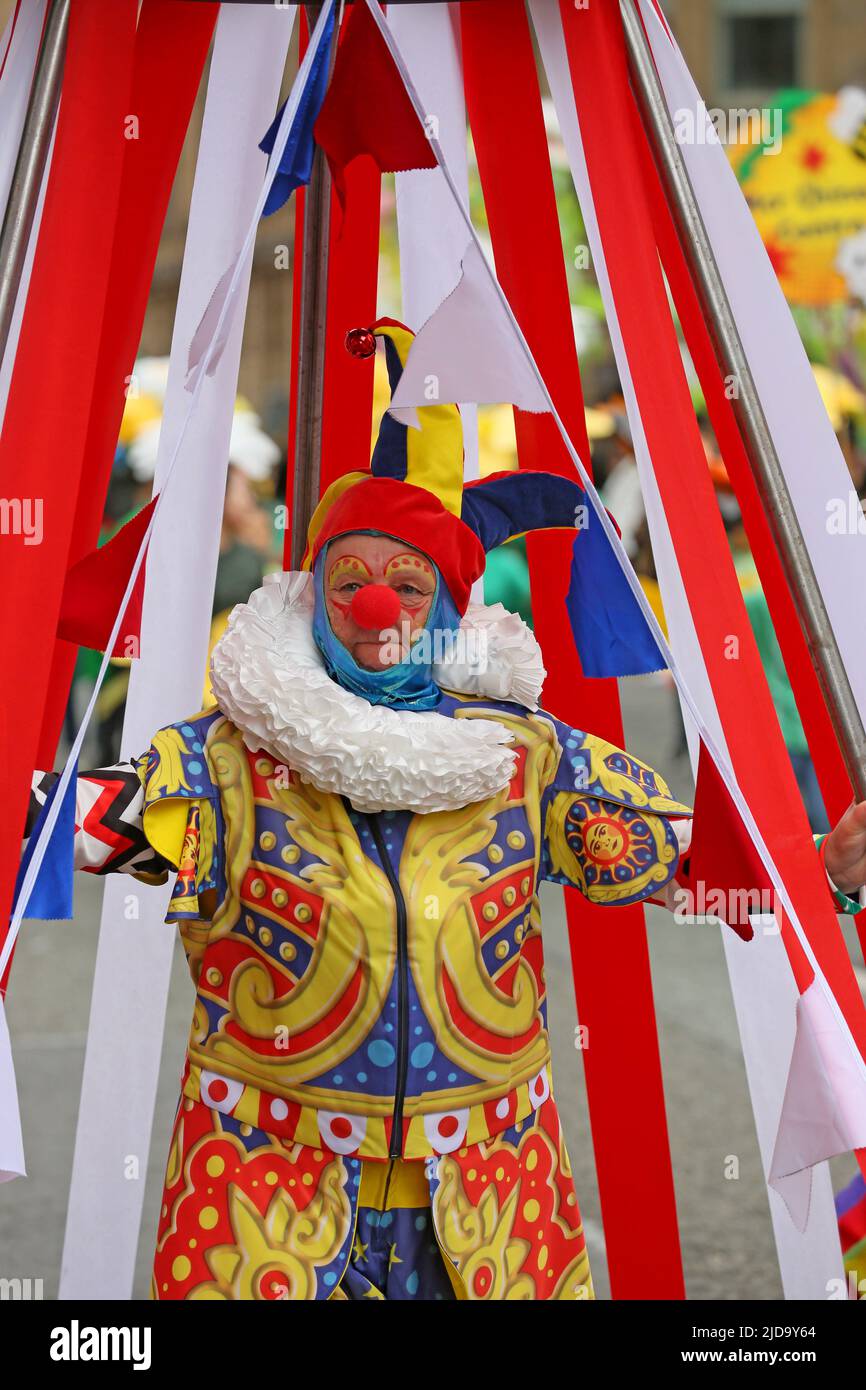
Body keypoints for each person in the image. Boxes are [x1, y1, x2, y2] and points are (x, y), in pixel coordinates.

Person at [23, 321, 866, 1301]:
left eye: (408, 583)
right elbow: (88, 822)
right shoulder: (225, 760)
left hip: (490, 1204)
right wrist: (23, 810)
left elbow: (675, 856)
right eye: (350, 582)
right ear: (313, 593)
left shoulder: (524, 757)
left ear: (449, 609)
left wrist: (816, 865)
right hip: (263, 1200)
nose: (377, 607)